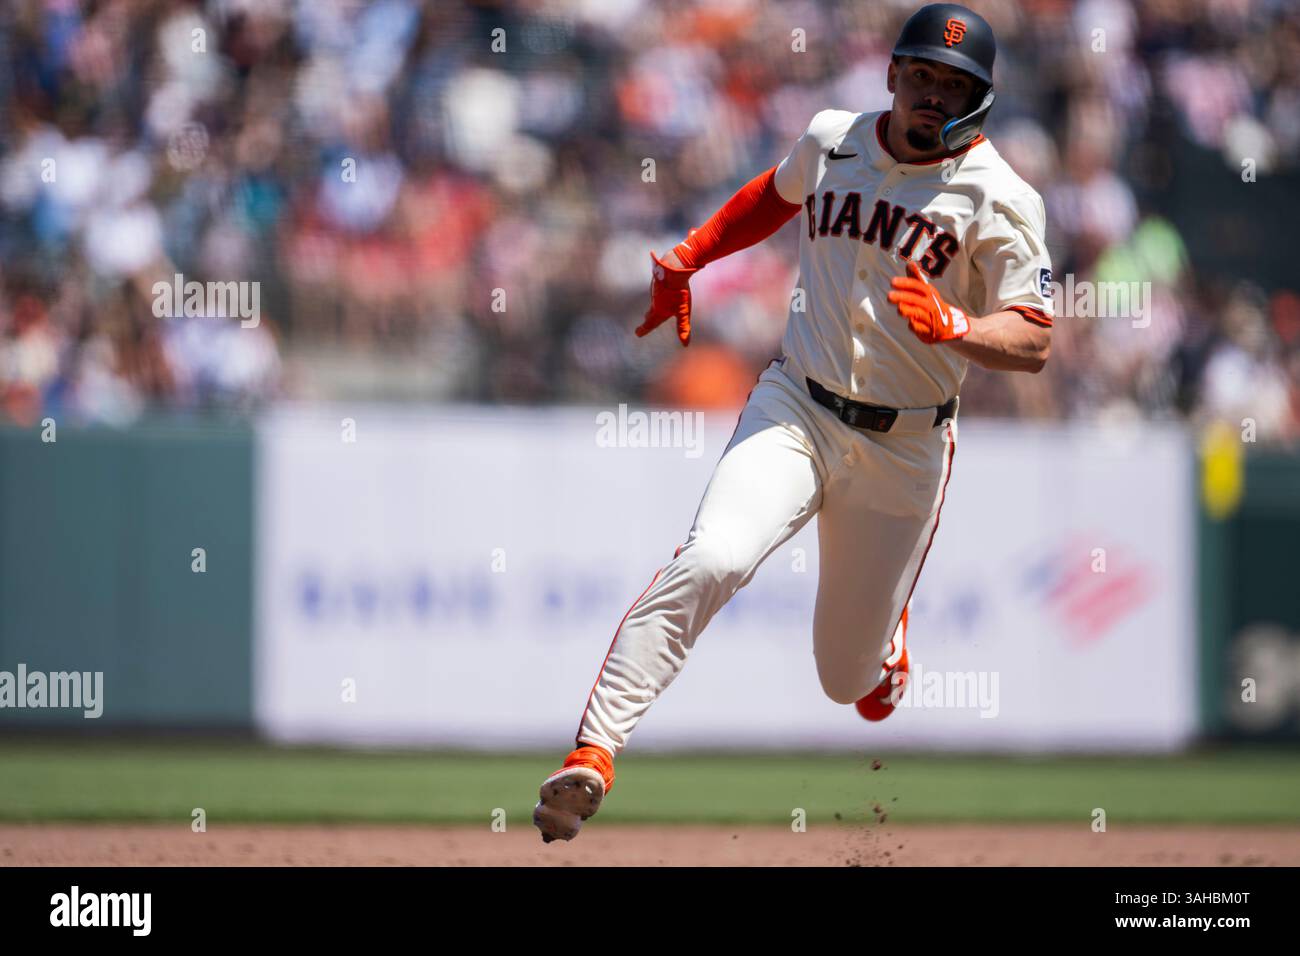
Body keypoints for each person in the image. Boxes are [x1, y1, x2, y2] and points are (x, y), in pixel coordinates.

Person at [534, 3, 1054, 843]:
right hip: (797, 405)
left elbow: (1033, 335)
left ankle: (884, 647)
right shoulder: (833, 137)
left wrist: (957, 327)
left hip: (907, 442)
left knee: (845, 682)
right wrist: (694, 254)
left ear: (978, 100)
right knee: (714, 556)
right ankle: (595, 751)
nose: (930, 95)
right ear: (892, 73)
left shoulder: (1001, 197)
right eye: (920, 74)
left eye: (951, 84)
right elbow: (774, 195)